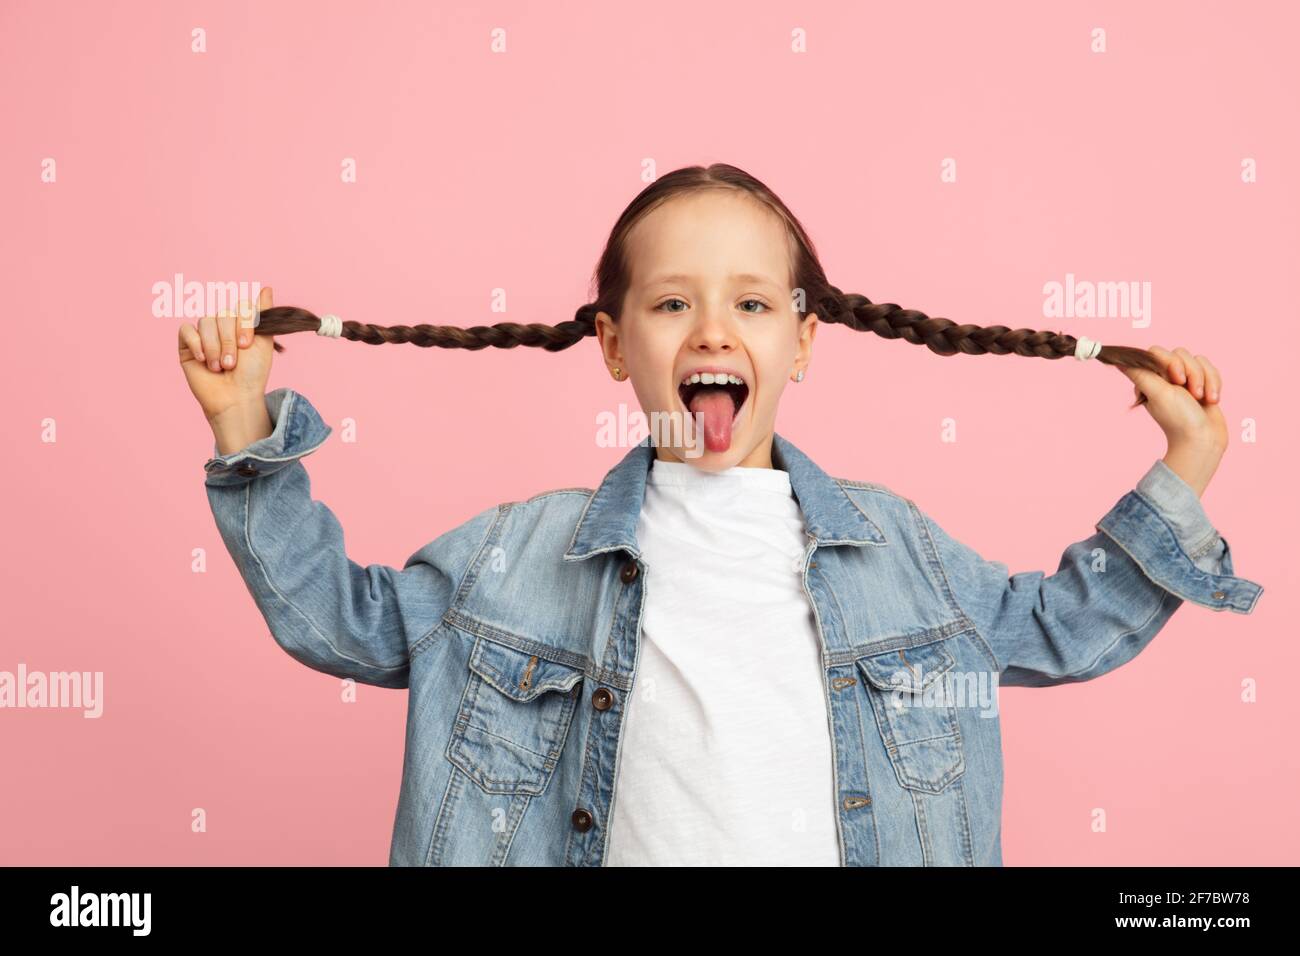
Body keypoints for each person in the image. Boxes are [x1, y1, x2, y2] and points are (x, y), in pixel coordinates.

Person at [179, 163, 1263, 866]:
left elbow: (1057, 628)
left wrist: (1186, 463)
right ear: (611, 343)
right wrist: (244, 429)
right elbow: (339, 619)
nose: (711, 329)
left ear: (801, 341)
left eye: (751, 302)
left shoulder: (904, 556)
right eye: (668, 302)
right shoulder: (515, 555)